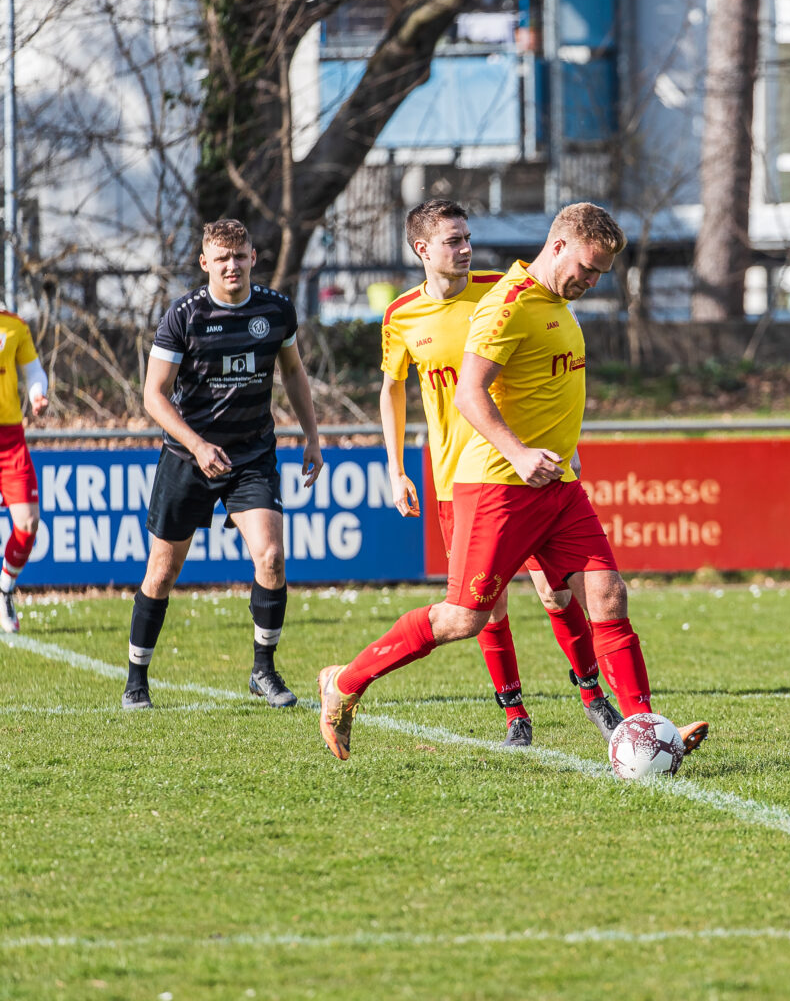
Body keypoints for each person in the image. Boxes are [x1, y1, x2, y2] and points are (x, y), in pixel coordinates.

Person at [317, 203, 708, 761]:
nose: (592, 282)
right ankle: (346, 682)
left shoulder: (555, 300)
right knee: (464, 618)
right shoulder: (508, 304)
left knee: (607, 594)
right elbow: (469, 394)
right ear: (558, 247)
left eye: (600, 274)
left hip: (558, 486)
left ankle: (644, 728)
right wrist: (519, 453)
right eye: (588, 269)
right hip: (498, 485)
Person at [380, 198, 624, 748]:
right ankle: (515, 715)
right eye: (453, 241)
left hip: (527, 469)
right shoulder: (400, 316)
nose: (466, 250)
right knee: (483, 606)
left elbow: (547, 367)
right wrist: (395, 469)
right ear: (422, 249)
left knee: (559, 592)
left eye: (468, 238)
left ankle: (594, 697)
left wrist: (561, 443)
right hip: (460, 474)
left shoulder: (503, 290)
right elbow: (392, 391)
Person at [123, 219, 324, 710]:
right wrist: (197, 446)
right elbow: (153, 395)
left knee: (272, 558)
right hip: (187, 457)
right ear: (205, 263)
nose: (232, 265)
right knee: (161, 574)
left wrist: (312, 436)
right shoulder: (184, 316)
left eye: (240, 256)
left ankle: (264, 670)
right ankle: (136, 679)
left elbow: (293, 372)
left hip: (252, 452)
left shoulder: (275, 310)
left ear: (254, 257)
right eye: (222, 257)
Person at [0, 306, 49, 632]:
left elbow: (33, 371)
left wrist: (37, 395)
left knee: (28, 523)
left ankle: (4, 589)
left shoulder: (14, 324)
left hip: (10, 438)